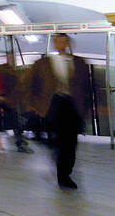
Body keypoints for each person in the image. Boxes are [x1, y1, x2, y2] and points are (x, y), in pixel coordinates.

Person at [28, 34, 92, 190]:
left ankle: (65, 171)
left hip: (72, 106)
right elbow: (31, 84)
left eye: (64, 41)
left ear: (69, 43)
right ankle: (62, 175)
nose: (61, 44)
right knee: (59, 141)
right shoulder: (44, 63)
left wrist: (90, 108)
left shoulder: (79, 63)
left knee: (71, 142)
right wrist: (34, 104)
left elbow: (88, 87)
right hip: (54, 105)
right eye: (58, 41)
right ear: (54, 44)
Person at [0, 59, 33, 153]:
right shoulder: (10, 78)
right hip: (10, 104)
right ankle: (20, 142)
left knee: (18, 119)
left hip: (12, 103)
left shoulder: (9, 78)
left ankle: (20, 140)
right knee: (17, 119)